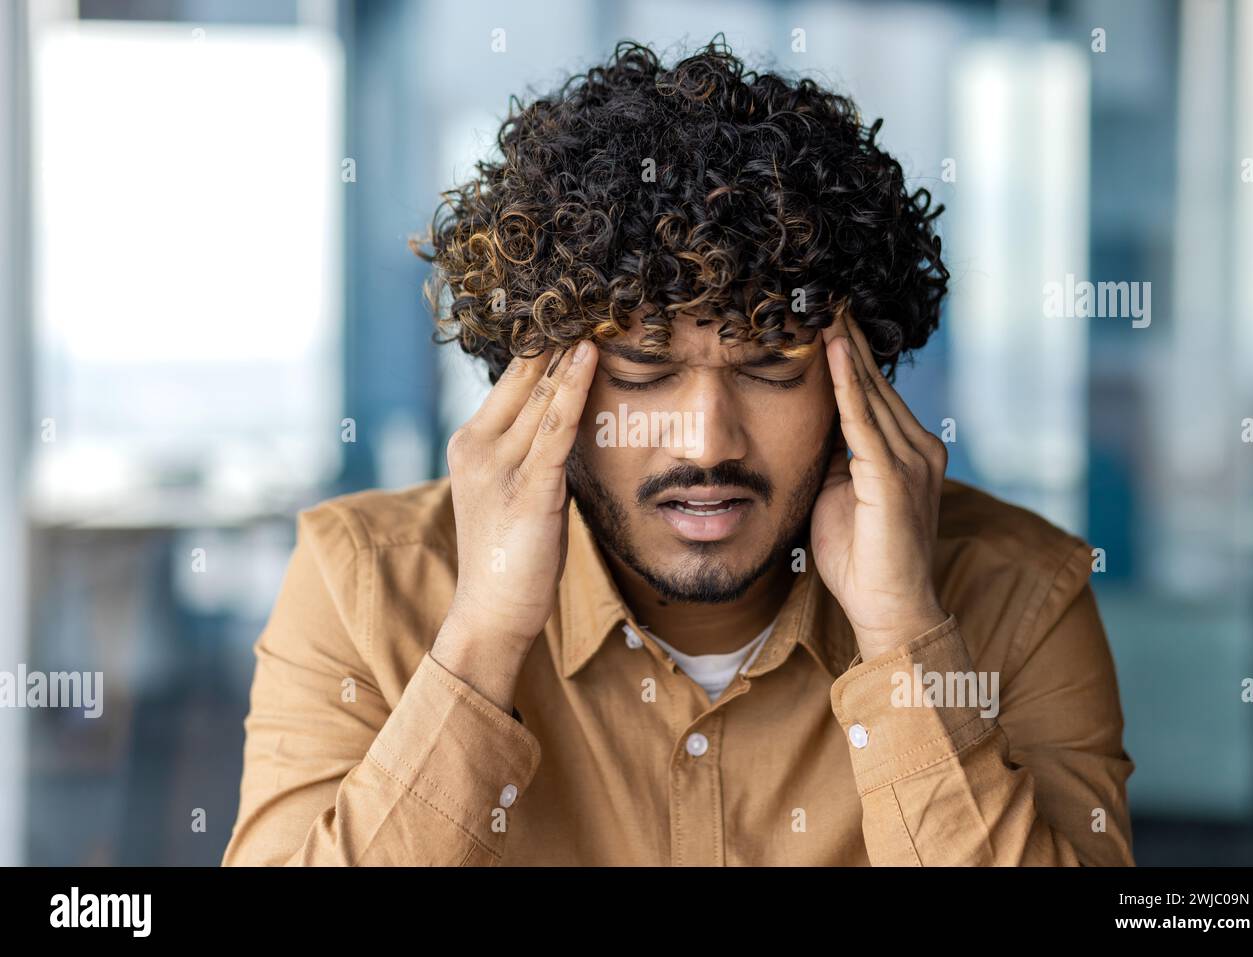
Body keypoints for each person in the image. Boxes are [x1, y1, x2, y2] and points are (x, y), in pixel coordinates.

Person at [222, 38, 1135, 866]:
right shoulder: (360, 585)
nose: (706, 441)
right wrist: (481, 641)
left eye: (773, 365)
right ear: (539, 378)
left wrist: (903, 638)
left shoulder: (1020, 594)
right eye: (644, 364)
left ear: (861, 373)